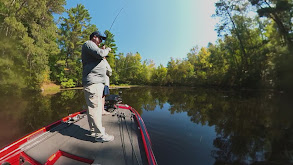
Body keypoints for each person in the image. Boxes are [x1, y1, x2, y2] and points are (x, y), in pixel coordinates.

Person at [82, 31, 114, 142]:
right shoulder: (88, 43)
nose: (100, 41)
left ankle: (95, 130)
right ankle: (99, 135)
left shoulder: (94, 49)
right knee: (95, 109)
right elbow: (101, 53)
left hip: (97, 84)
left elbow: (100, 55)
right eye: (100, 38)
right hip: (93, 83)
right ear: (94, 37)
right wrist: (107, 50)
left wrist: (102, 51)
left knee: (95, 109)